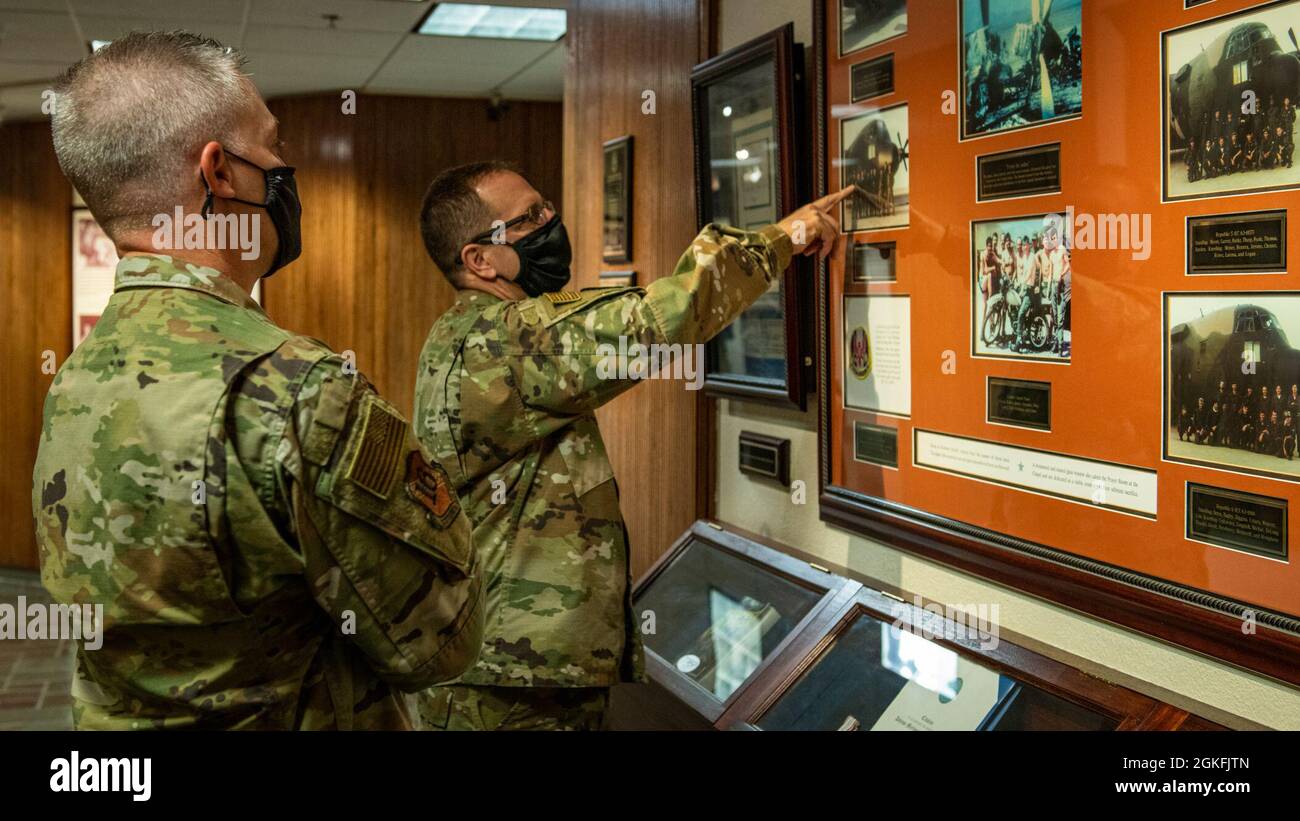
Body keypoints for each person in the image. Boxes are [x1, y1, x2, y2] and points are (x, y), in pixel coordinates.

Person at [32, 31, 482, 730]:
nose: (283, 167)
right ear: (218, 171)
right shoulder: (300, 389)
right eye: (271, 146)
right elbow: (439, 640)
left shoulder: (77, 378)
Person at [412, 160, 850, 729]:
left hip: (520, 671)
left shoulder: (471, 334)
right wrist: (783, 237)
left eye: (547, 207)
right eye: (529, 219)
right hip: (509, 685)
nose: (551, 221)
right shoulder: (501, 342)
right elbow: (663, 318)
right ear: (480, 259)